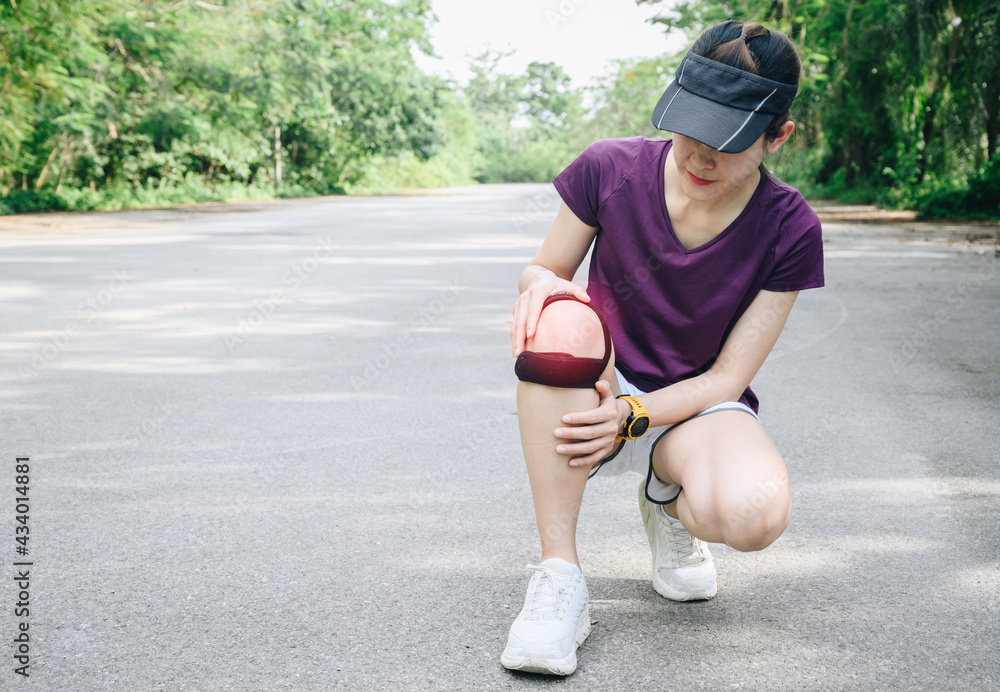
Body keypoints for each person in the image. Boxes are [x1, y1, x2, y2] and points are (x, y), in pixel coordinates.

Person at [500, 20, 825, 676]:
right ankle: (560, 577)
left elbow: (730, 377)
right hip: (594, 385)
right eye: (690, 127)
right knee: (558, 318)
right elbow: (545, 269)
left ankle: (666, 498)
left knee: (756, 513)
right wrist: (540, 289)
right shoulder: (609, 168)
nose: (698, 154)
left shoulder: (792, 228)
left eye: (726, 142)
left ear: (779, 136)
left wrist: (638, 415)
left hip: (691, 412)